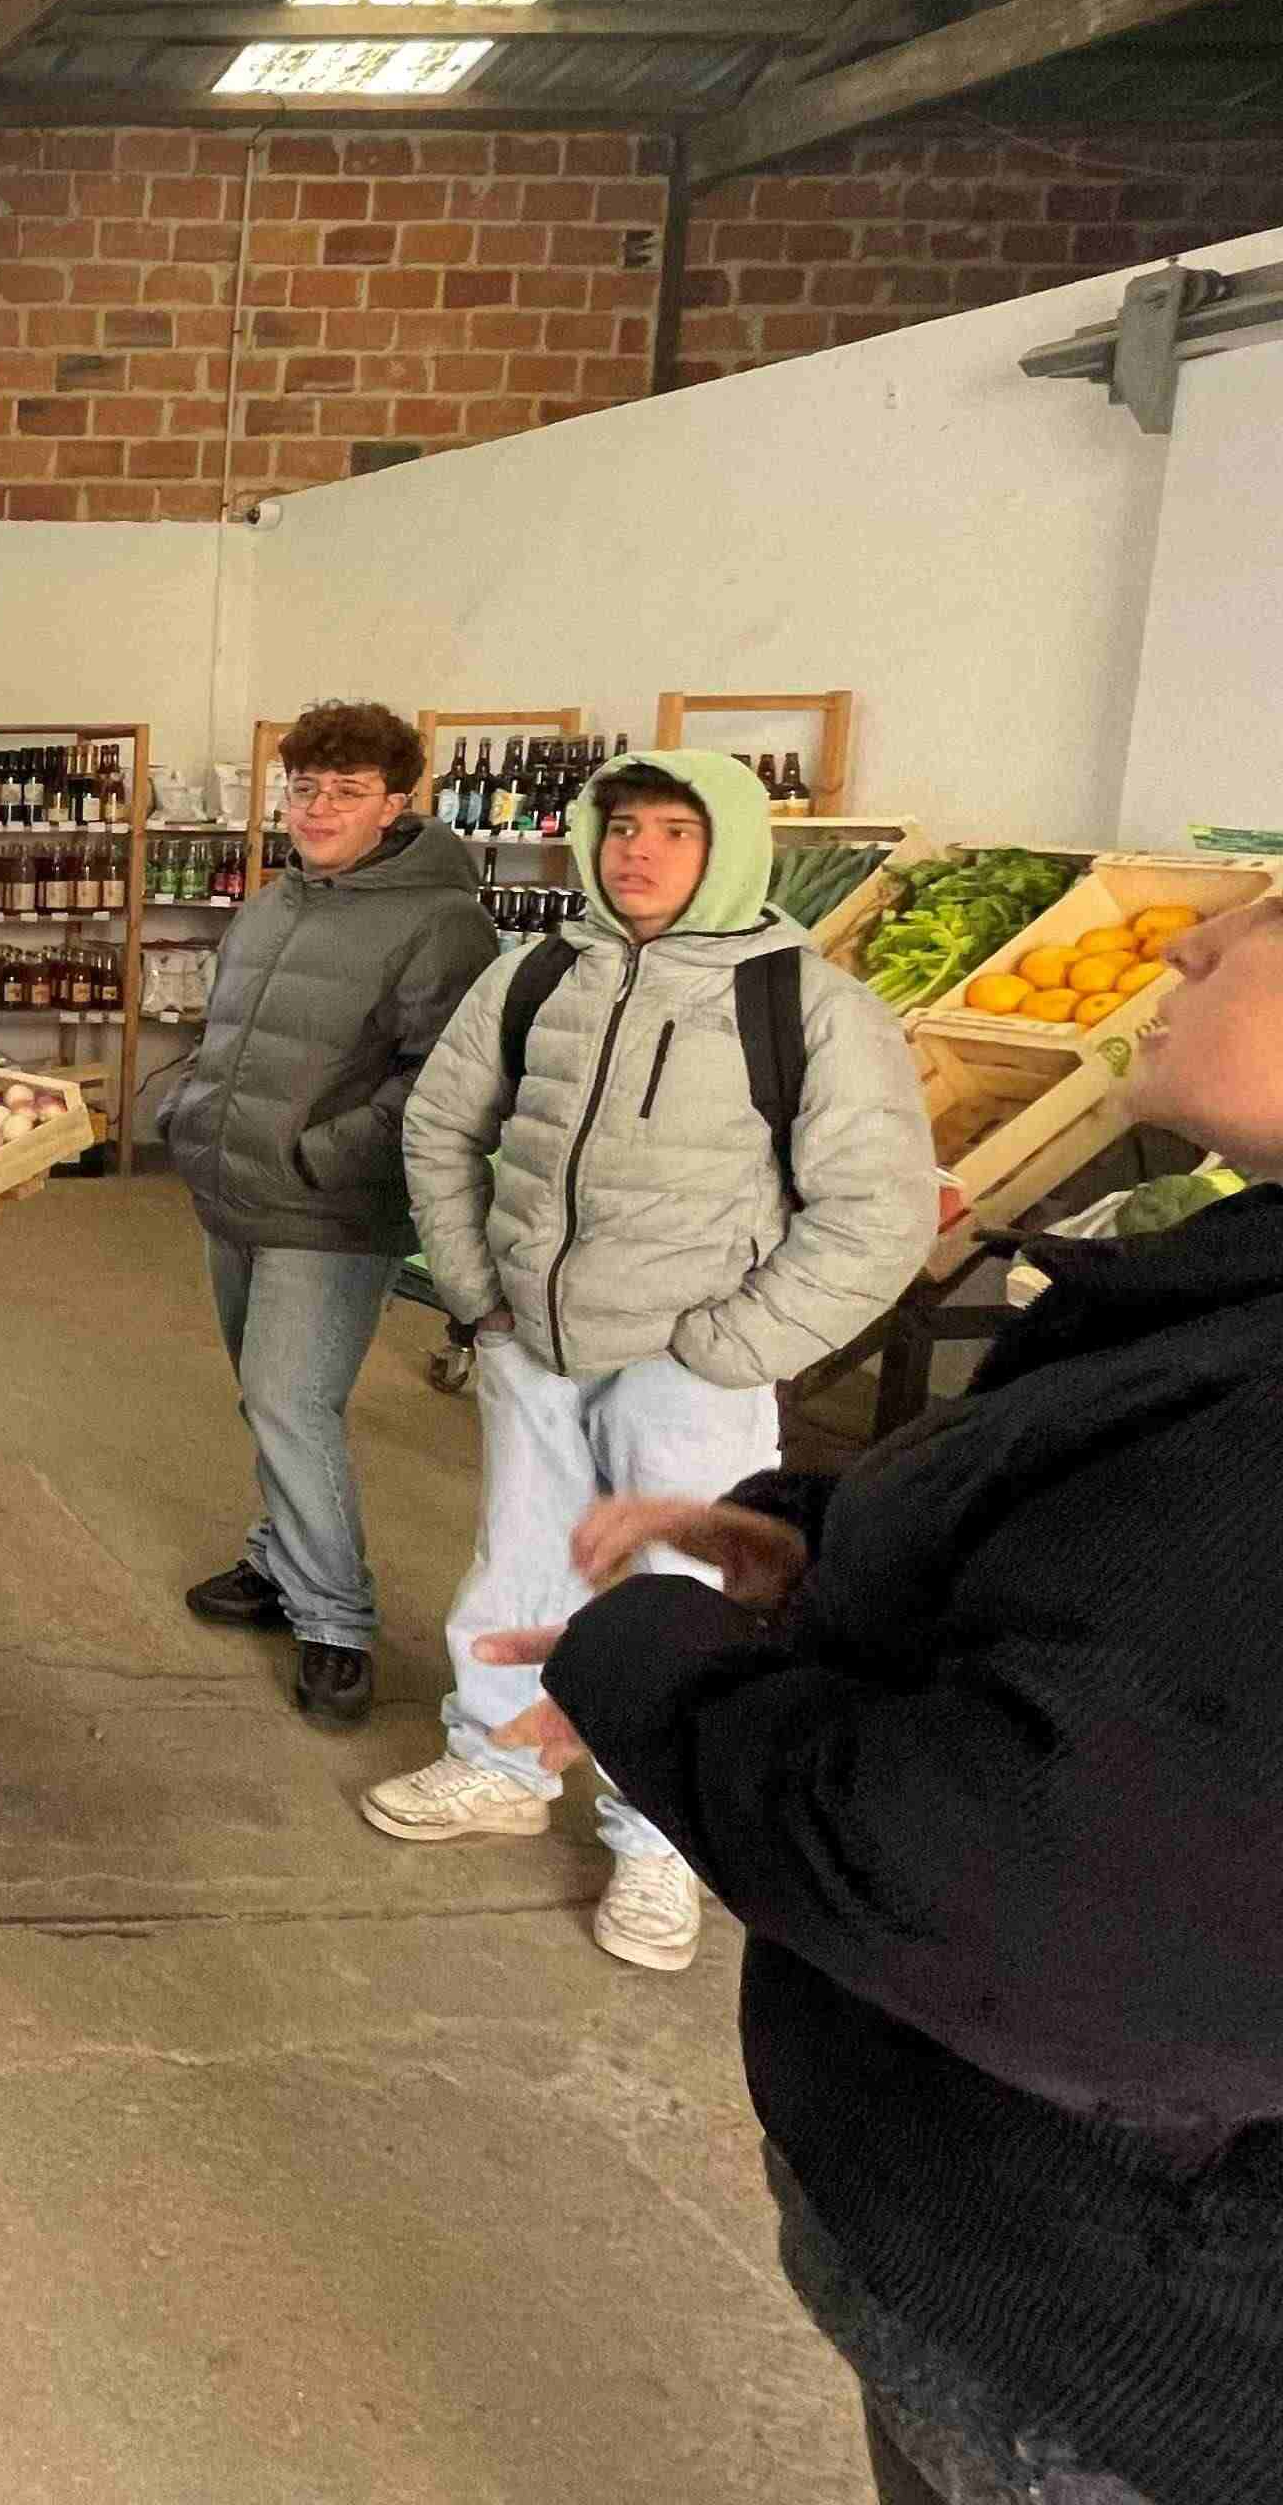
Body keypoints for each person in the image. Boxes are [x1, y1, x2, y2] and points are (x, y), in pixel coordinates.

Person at [507, 894, 1283, 2505]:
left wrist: (648, 1655)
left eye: (1272, 915)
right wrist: (836, 1554)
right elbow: (1124, 1591)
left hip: (1132, 2355)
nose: (1194, 937)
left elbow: (1002, 1871)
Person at [379, 747, 929, 1974]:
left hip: (690, 1360)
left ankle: (660, 1843)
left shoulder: (809, 1006)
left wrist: (733, 1346)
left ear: (728, 847)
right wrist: (478, 1290)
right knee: (521, 1550)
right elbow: (441, 1124)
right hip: (533, 1334)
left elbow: (880, 1212)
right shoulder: (539, 974)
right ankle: (498, 1763)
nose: (638, 850)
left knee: (681, 1591)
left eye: (674, 832)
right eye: (622, 825)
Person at [160, 699, 499, 1730]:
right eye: (304, 787)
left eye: (346, 792)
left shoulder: (443, 920)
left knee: (291, 1402)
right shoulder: (278, 901)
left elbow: (443, 1079)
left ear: (399, 802)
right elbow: (231, 1036)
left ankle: (336, 1622)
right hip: (234, 1189)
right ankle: (277, 1560)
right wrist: (186, 1110)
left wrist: (324, 1155)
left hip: (330, 1207)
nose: (316, 808)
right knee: (265, 1398)